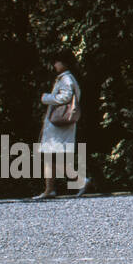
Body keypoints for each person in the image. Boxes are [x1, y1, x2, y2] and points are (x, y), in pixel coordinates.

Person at [34, 49, 81, 200]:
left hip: (59, 124)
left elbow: (65, 97)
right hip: (59, 124)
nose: (54, 64)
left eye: (57, 61)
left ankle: (73, 182)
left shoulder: (66, 79)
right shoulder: (65, 78)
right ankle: (50, 189)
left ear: (64, 62)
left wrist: (46, 98)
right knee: (52, 156)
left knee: (52, 156)